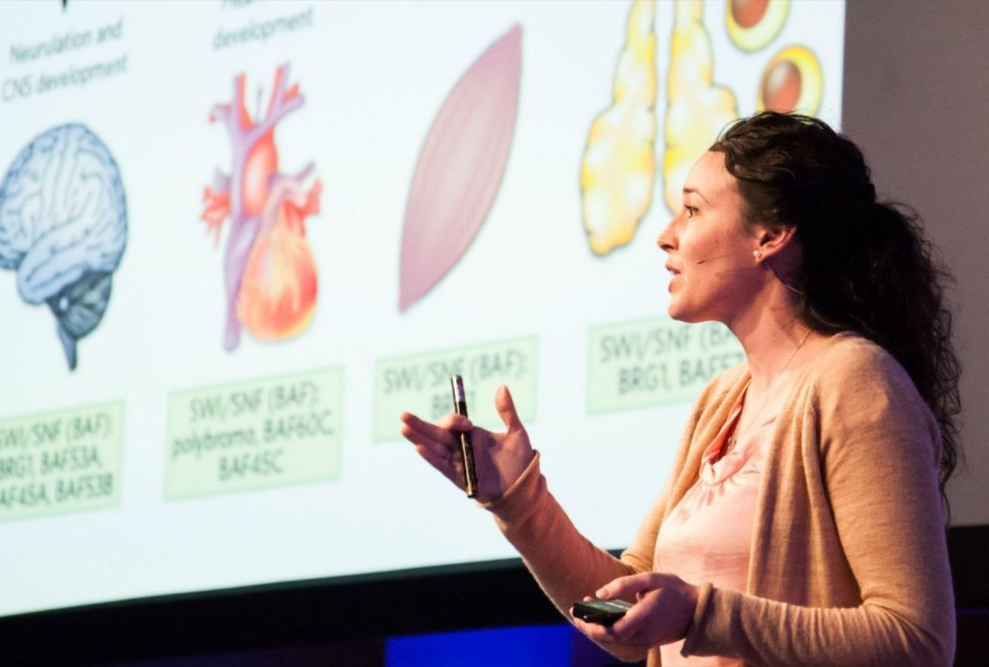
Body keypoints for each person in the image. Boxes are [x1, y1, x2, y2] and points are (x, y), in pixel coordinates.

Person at [400, 112, 959, 667]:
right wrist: (518, 499)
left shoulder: (854, 382)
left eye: (692, 210)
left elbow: (918, 640)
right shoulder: (721, 401)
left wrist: (701, 617)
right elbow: (628, 617)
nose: (666, 235)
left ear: (770, 236)